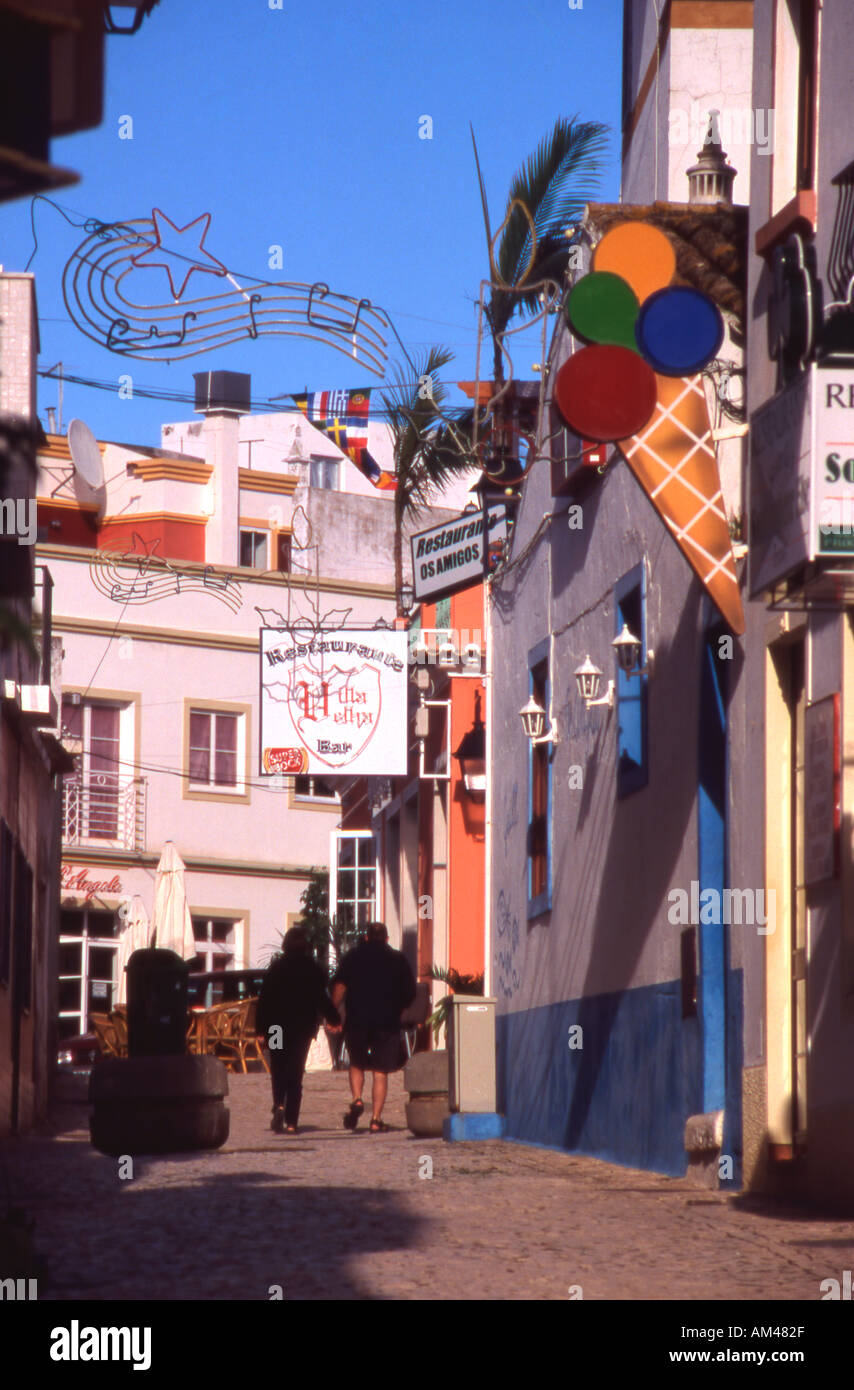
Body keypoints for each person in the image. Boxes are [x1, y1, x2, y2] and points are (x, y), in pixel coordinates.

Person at [331, 921, 416, 1133]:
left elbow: (340, 986)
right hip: (387, 1021)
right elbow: (409, 991)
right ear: (387, 939)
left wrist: (333, 1013)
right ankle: (376, 1119)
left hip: (357, 1020)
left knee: (357, 1064)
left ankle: (357, 1099)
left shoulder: (352, 957)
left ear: (366, 937)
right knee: (380, 1072)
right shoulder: (398, 959)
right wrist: (399, 1008)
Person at [256, 926, 340, 1134]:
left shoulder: (276, 968)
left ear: (285, 945)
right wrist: (334, 1018)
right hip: (301, 1028)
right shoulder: (313, 969)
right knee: (295, 1073)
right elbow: (321, 998)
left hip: (276, 1027)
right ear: (306, 945)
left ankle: (279, 1104)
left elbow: (264, 1000)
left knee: (278, 1066)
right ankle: (292, 1122)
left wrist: (260, 1030)